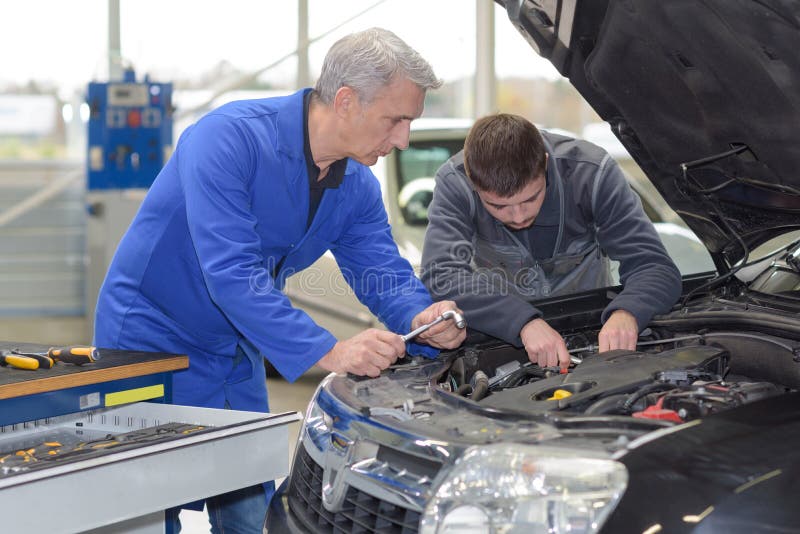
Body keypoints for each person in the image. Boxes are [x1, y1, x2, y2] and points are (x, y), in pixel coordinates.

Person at [93, 28, 466, 533]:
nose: (401, 139)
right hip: (147, 341)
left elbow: (381, 271)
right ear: (347, 101)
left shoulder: (354, 183)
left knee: (250, 514)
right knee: (145, 514)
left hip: (233, 349)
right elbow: (232, 273)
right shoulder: (227, 139)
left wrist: (419, 316)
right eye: (396, 120)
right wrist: (331, 352)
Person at [421, 113, 681, 370]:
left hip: (592, 334)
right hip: (498, 341)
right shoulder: (455, 183)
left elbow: (654, 267)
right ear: (473, 184)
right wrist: (522, 322)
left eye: (530, 199)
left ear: (544, 165)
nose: (519, 216)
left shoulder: (592, 174)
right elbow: (442, 275)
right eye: (499, 206)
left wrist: (628, 312)